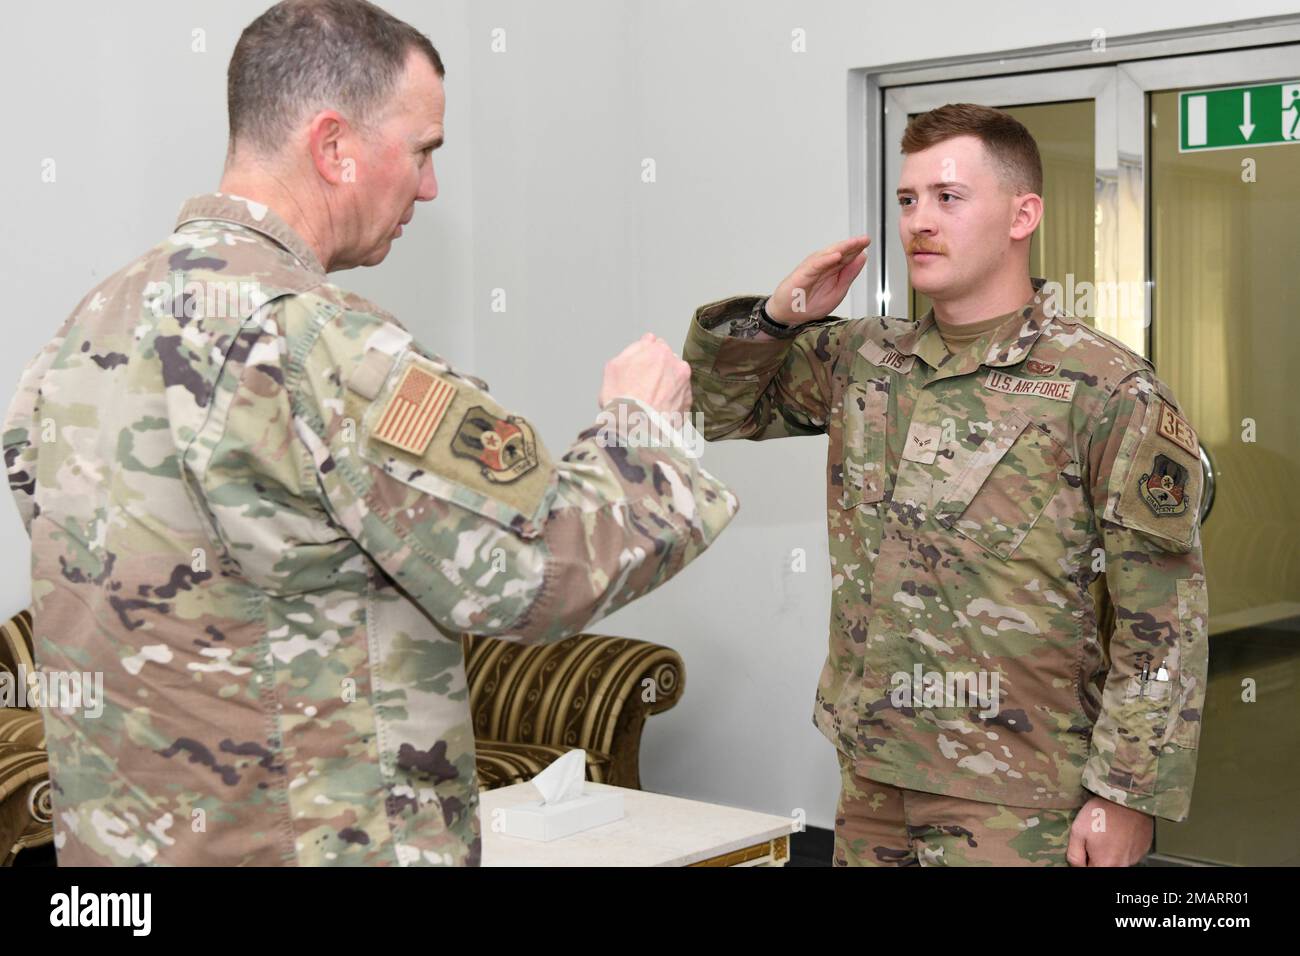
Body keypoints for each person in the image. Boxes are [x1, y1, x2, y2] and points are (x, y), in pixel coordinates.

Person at [2, 0, 736, 866]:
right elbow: (536, 570)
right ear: (334, 146)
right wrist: (640, 432)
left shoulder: (84, 331)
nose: (429, 187)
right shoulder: (317, 341)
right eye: (423, 151)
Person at [682, 103, 1208, 866]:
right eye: (907, 199)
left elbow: (1164, 618)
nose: (919, 220)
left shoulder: (1103, 386)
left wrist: (1126, 793)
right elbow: (713, 410)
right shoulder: (864, 356)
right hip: (873, 771)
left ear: (1022, 213)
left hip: (1018, 793)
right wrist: (773, 316)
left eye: (948, 198)